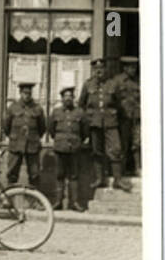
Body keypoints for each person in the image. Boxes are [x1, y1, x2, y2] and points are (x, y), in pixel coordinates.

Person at [79, 58, 130, 191]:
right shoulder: (88, 85)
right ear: (93, 70)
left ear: (106, 70)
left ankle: (117, 180)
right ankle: (99, 179)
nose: (99, 71)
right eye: (96, 69)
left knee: (116, 149)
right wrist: (87, 120)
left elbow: (119, 104)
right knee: (96, 151)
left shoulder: (113, 84)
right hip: (94, 123)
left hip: (110, 122)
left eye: (101, 68)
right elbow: (81, 105)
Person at [49, 85, 88, 211]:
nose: (68, 99)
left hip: (74, 148)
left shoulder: (80, 113)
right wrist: (60, 139)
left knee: (74, 176)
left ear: (73, 98)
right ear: (61, 98)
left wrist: (77, 141)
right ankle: (58, 202)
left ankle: (74, 203)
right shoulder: (56, 112)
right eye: (65, 96)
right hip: (60, 148)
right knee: (60, 175)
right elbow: (51, 130)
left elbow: (85, 131)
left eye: (70, 96)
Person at [3, 82, 46, 187]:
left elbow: (42, 128)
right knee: (12, 173)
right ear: (20, 93)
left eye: (29, 93)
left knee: (34, 174)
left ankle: (34, 201)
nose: (27, 95)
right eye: (24, 93)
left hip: (32, 145)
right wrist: (14, 136)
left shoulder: (37, 108)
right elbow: (6, 126)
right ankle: (9, 199)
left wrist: (34, 137)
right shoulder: (13, 107)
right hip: (16, 145)